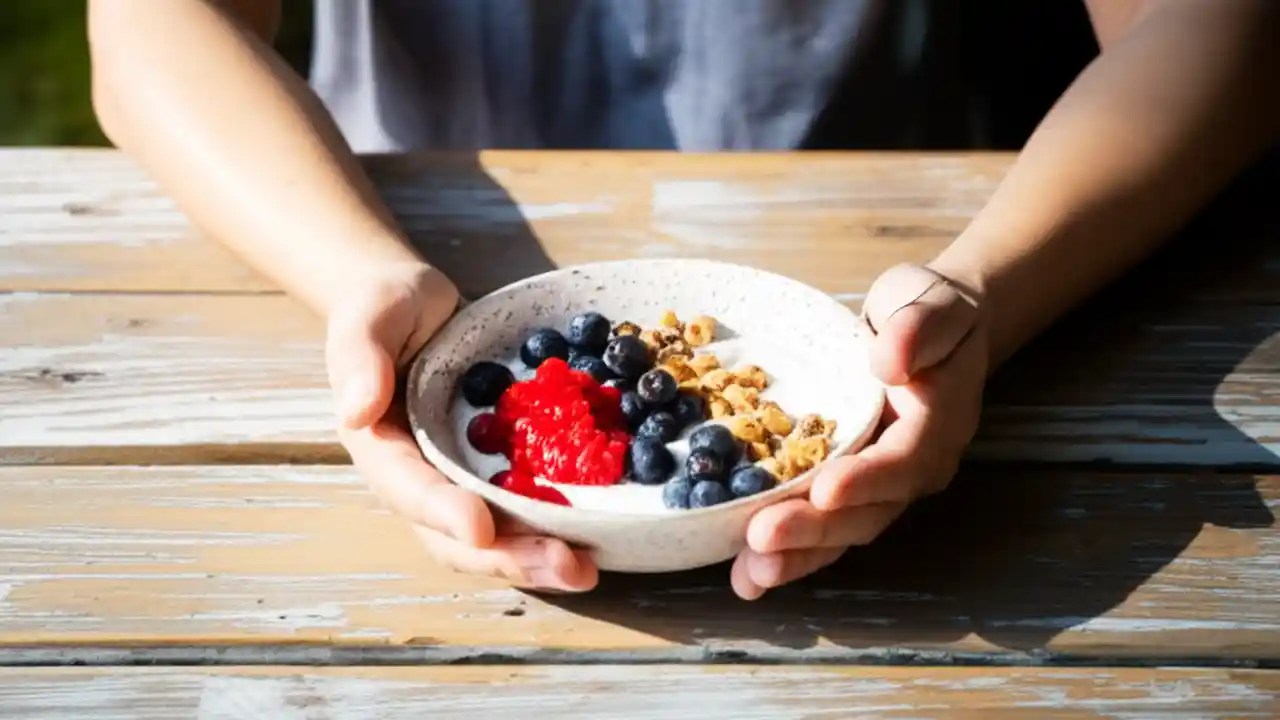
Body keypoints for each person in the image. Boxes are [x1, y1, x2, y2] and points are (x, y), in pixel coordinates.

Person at [87, 0, 1279, 600]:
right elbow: (146, 23)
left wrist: (975, 293)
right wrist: (358, 273)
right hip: (383, 203)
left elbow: (1222, 28)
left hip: (908, 230)